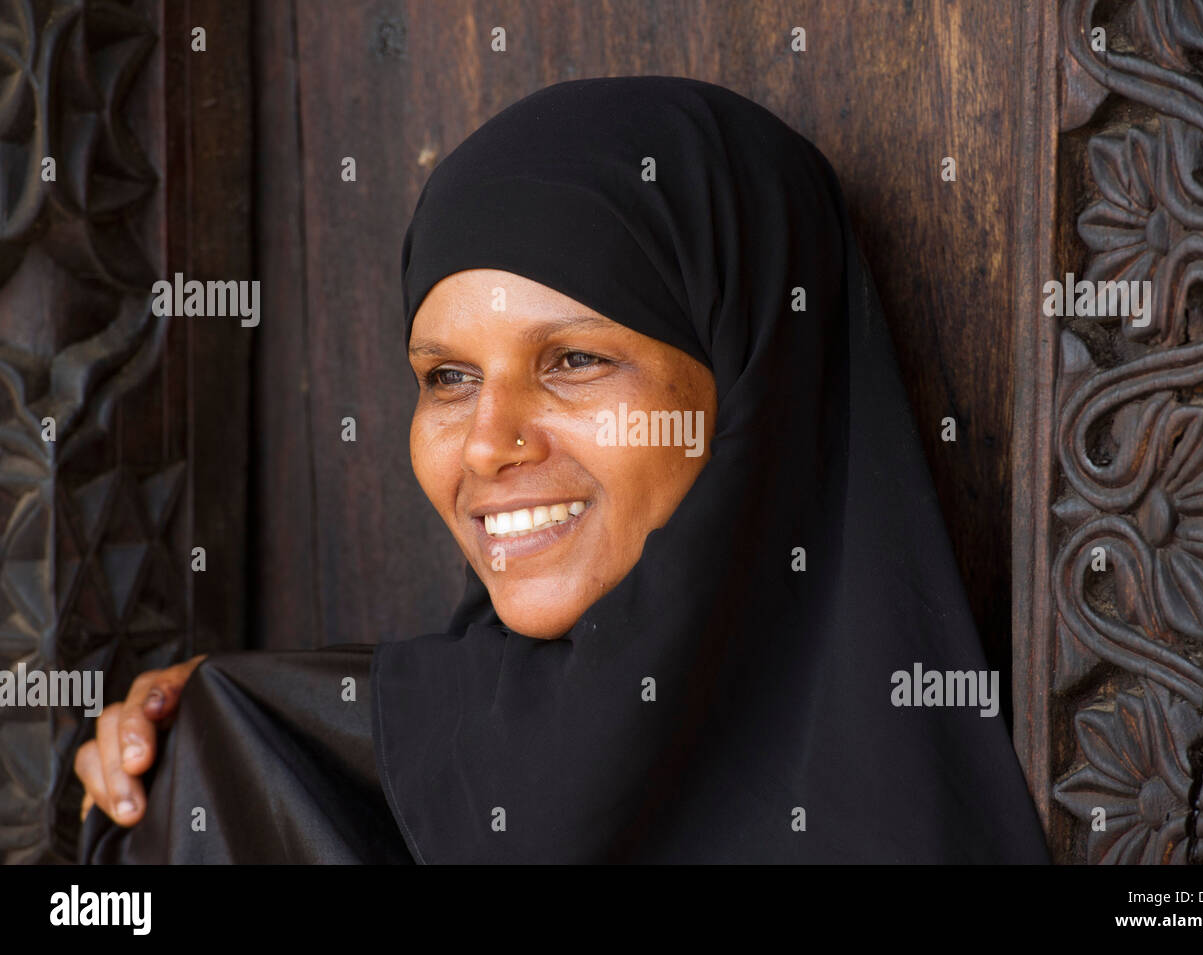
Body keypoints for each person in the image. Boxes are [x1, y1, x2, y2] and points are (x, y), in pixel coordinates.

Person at [78, 75, 1050, 863]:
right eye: (449, 377)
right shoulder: (304, 765)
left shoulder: (1059, 795)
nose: (489, 442)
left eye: (574, 361)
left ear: (756, 392)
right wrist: (205, 748)